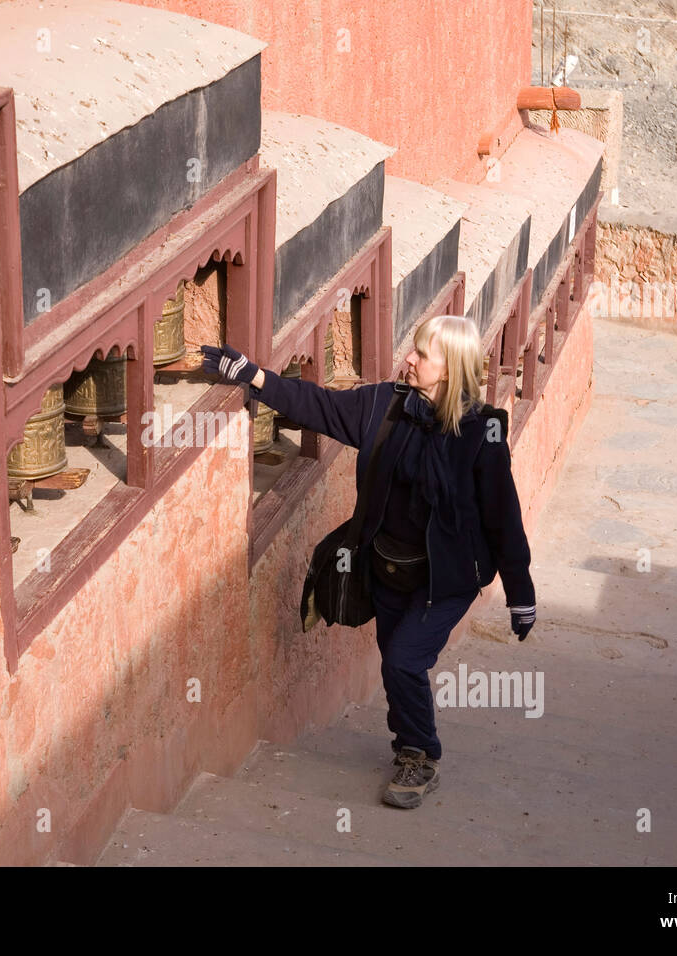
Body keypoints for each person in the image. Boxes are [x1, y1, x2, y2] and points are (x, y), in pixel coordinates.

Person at [200, 315, 536, 810]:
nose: (409, 359)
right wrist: (253, 375)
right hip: (386, 567)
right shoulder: (385, 405)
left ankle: (420, 755)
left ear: (449, 369)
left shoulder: (479, 435)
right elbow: (321, 407)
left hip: (445, 580)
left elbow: (503, 518)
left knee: (404, 659)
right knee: (395, 663)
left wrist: (520, 593)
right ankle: (408, 744)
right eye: (412, 351)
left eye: (422, 355)